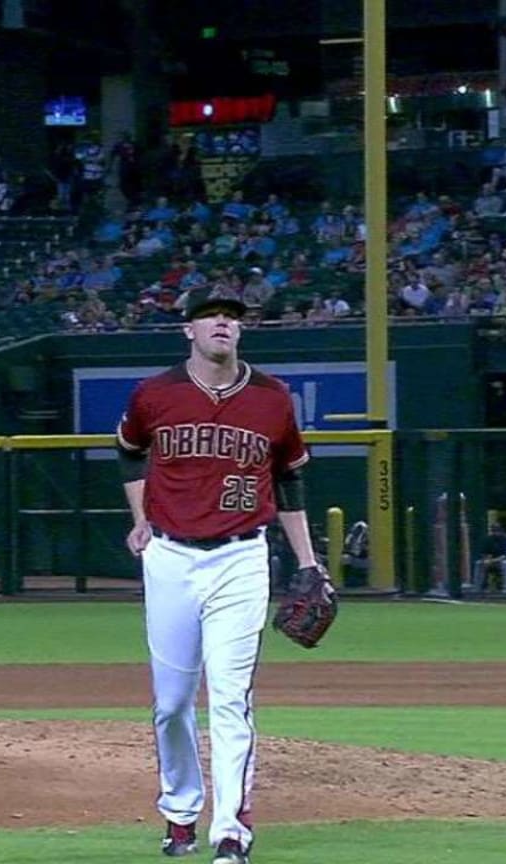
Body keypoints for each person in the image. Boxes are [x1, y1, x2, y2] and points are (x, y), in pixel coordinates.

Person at [115, 287, 320, 864]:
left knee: (230, 698)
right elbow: (128, 450)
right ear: (189, 330)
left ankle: (231, 830)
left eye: (231, 316)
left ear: (241, 330)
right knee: (172, 703)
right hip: (170, 559)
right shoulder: (155, 393)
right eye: (209, 317)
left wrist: (308, 561)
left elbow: (290, 480)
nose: (222, 323)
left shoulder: (272, 398)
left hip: (241, 558)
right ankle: (180, 812)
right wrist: (140, 518)